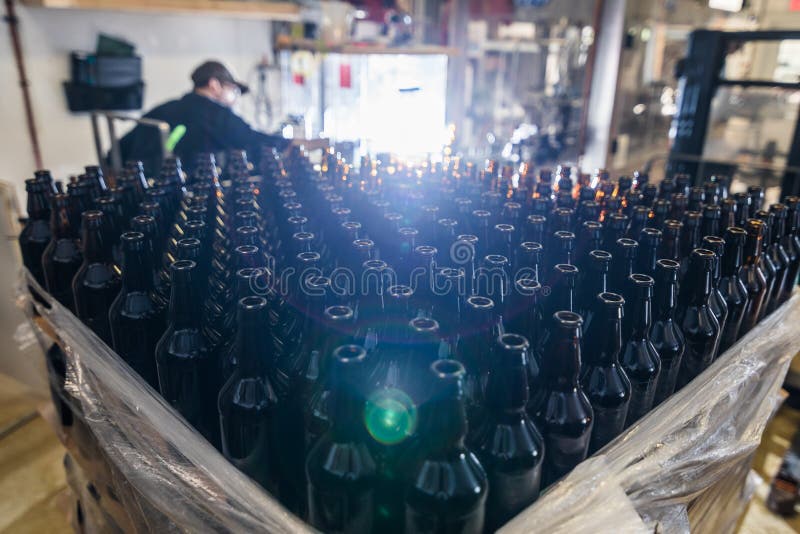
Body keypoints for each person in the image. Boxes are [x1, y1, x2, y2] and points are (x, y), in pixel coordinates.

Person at [119, 60, 289, 174]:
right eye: (233, 90)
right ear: (214, 85)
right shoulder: (213, 113)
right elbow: (253, 140)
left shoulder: (167, 108)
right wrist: (295, 144)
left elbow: (120, 148)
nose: (236, 97)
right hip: (189, 191)